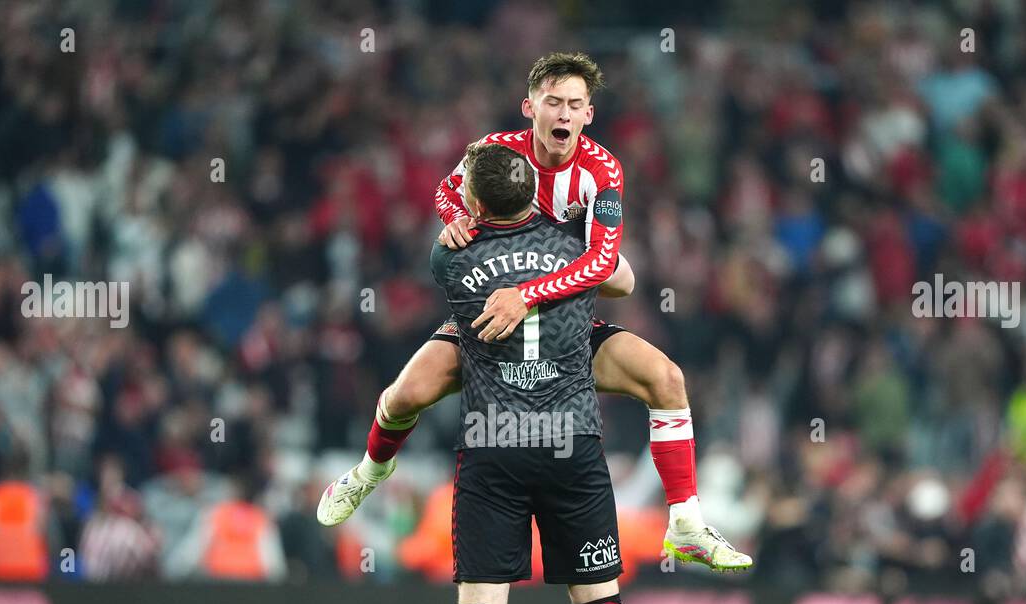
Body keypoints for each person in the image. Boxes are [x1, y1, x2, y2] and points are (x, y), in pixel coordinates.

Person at [317, 51, 751, 573]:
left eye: (575, 105)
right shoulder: (496, 153)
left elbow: (602, 260)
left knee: (663, 369)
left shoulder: (602, 168)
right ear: (530, 107)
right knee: (404, 394)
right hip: (491, 321)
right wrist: (456, 217)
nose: (563, 114)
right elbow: (444, 190)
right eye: (553, 103)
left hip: (556, 318)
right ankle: (368, 473)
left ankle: (685, 523)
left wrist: (530, 293)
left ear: (589, 114)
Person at [423, 141, 674, 604]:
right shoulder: (573, 248)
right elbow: (616, 273)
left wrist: (459, 210)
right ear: (537, 193)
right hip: (571, 443)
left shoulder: (451, 258)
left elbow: (456, 222)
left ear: (474, 202)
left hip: (495, 445)